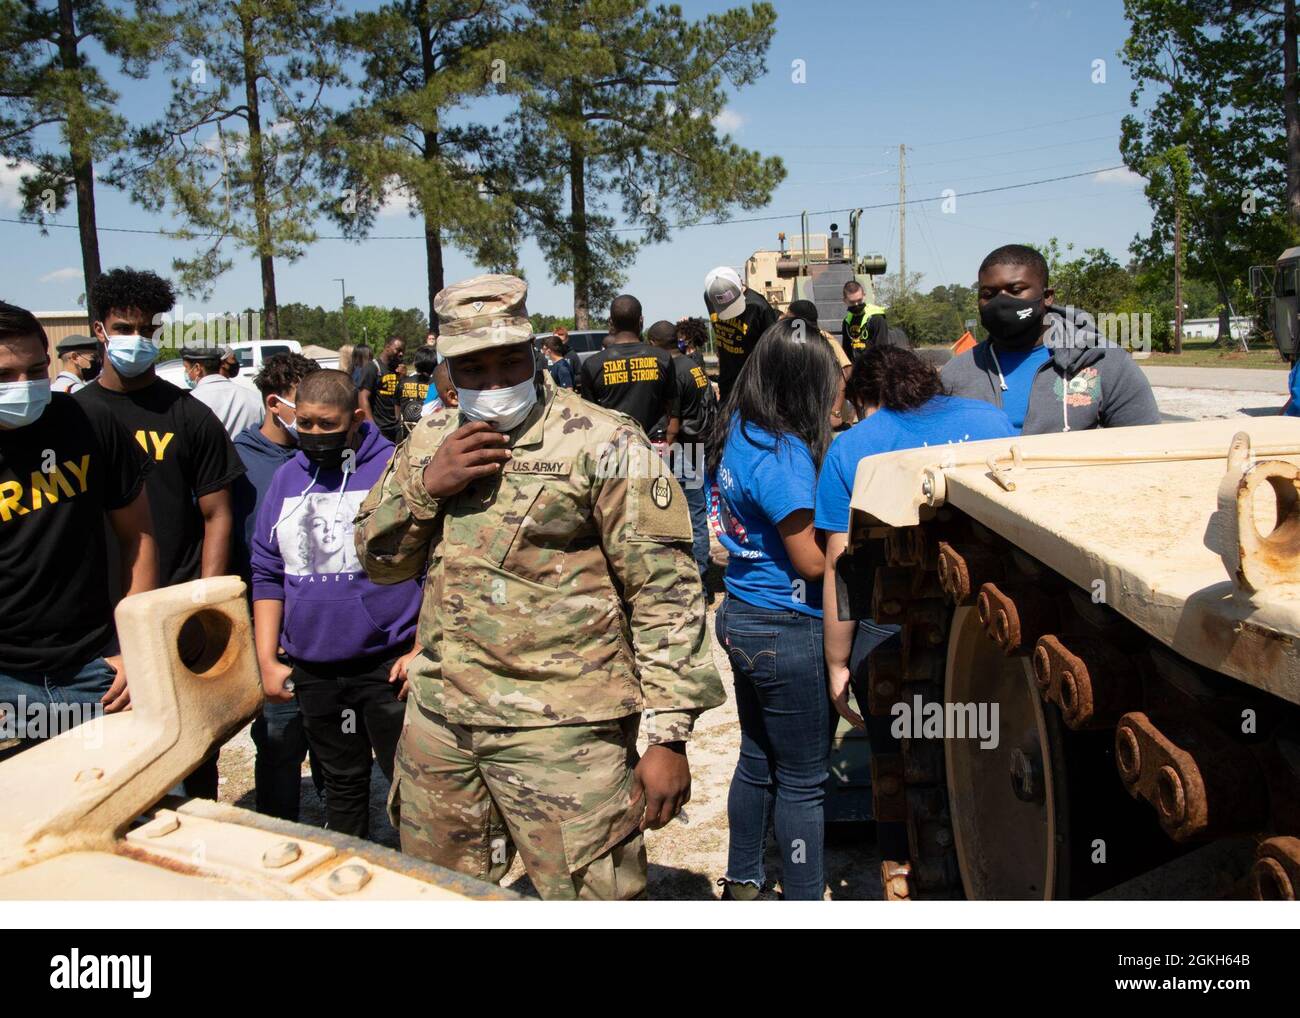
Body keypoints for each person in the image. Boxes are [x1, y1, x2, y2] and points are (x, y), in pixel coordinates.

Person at [354, 273, 724, 901]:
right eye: (473, 367)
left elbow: (665, 595)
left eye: (509, 361)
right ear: (447, 369)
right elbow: (380, 561)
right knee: (441, 895)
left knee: (589, 900)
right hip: (444, 721)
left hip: (564, 729)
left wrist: (669, 737)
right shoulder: (429, 441)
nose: (495, 383)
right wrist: (427, 488)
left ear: (532, 351)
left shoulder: (605, 442)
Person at [815, 345, 1015, 860]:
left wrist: (837, 662)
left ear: (865, 397)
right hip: (991, 618)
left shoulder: (853, 447)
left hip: (894, 629)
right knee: (990, 752)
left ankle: (906, 866)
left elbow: (843, 566)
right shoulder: (991, 419)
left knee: (900, 769)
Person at [76, 267, 245, 798]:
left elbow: (219, 514)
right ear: (100, 330)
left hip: (177, 615)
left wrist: (201, 605)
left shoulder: (188, 414)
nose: (137, 340)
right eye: (125, 328)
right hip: (98, 624)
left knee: (192, 751)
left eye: (147, 330)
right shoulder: (74, 417)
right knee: (111, 763)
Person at [251, 370, 421, 840]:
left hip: (387, 669)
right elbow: (267, 572)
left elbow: (431, 565)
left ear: (357, 419)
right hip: (316, 670)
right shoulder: (287, 478)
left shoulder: (392, 470)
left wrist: (420, 648)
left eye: (328, 425)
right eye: (304, 424)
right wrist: (267, 659)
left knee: (412, 793)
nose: (314, 435)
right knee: (343, 787)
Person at [708, 317, 841, 900]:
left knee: (756, 758)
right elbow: (812, 562)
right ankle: (805, 897)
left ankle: (744, 880)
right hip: (787, 627)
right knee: (805, 782)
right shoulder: (785, 456)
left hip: (742, 611)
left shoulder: (743, 426)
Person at [0, 302, 157, 758]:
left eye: (34, 370)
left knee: (137, 806)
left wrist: (135, 646)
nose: (24, 386)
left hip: (96, 666)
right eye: (5, 375)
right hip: (6, 680)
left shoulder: (88, 421)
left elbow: (139, 536)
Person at [231, 352, 321, 822]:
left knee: (333, 739)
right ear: (275, 404)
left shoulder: (326, 452)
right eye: (303, 411)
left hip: (325, 624)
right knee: (278, 739)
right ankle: (277, 826)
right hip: (271, 627)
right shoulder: (238, 461)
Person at [942, 244, 1160, 433]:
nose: (1001, 302)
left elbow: (1144, 446)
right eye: (988, 295)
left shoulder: (1104, 361)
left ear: (1047, 297)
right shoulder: (956, 374)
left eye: (1016, 290)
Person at [646, 319, 715, 583]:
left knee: (670, 512)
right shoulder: (693, 365)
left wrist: (664, 453)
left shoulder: (673, 369)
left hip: (680, 449)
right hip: (696, 444)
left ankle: (691, 580)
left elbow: (673, 418)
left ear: (654, 344)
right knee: (697, 514)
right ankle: (703, 579)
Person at [579, 294, 679, 443]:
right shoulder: (662, 358)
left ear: (611, 322)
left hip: (613, 448)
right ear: (641, 321)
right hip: (654, 446)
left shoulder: (592, 364)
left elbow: (590, 417)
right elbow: (672, 407)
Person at [704, 265, 777, 403]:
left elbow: (773, 349)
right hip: (727, 381)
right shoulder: (710, 297)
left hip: (753, 384)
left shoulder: (758, 306)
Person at [785, 299, 855, 428]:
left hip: (827, 418)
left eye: (789, 316)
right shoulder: (796, 341)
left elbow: (845, 372)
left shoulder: (825, 340)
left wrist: (835, 411)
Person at [182, 346, 263, 438]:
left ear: (197, 368)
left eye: (186, 367)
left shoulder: (188, 403)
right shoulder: (254, 398)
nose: (186, 372)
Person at [356, 336, 405, 443]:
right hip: (380, 428)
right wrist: (372, 427)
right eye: (398, 350)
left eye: (403, 351)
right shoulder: (372, 368)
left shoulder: (398, 370)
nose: (401, 354)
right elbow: (363, 397)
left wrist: (403, 377)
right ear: (387, 347)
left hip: (396, 428)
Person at [841, 280, 888, 359]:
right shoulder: (847, 322)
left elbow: (882, 352)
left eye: (859, 301)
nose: (856, 305)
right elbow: (847, 352)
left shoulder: (876, 319)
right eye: (852, 302)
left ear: (864, 296)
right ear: (845, 301)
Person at [398, 343, 437, 439]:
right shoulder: (436, 386)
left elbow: (397, 411)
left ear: (415, 363)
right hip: (428, 434)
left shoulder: (402, 382)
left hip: (406, 434)